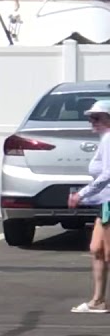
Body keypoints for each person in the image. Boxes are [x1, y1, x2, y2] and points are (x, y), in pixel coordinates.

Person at [68, 99, 110, 313]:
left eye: (97, 117)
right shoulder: (105, 139)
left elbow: (108, 174)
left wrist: (82, 194)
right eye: (90, 117)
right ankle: (98, 300)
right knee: (97, 249)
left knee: (107, 251)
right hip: (104, 203)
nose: (92, 121)